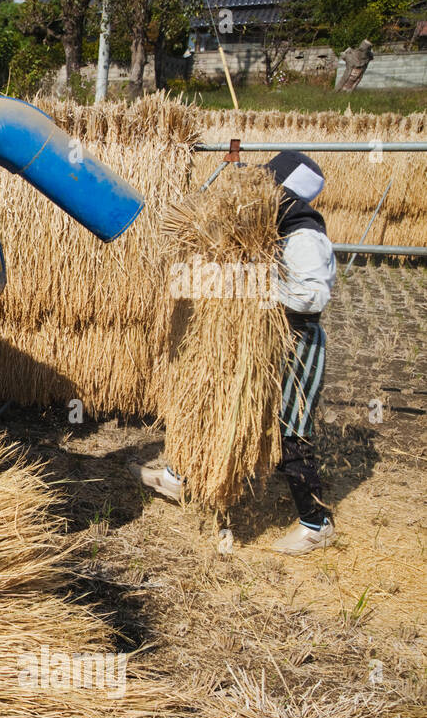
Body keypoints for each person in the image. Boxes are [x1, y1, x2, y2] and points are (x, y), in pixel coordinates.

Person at [131, 151, 337, 555]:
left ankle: (316, 523)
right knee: (216, 404)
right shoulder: (272, 231)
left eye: (269, 187)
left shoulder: (304, 235)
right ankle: (180, 477)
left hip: (297, 345)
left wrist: (252, 285)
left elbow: (313, 297)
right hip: (258, 338)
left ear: (287, 196)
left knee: (290, 431)